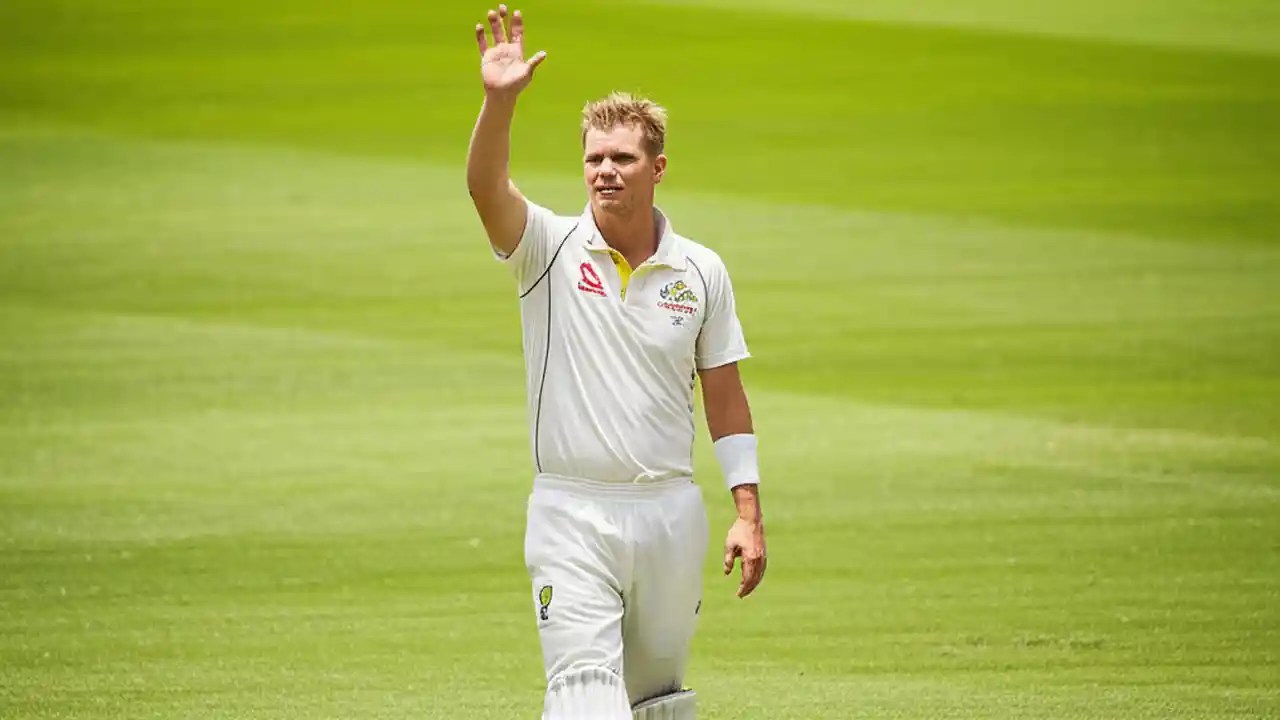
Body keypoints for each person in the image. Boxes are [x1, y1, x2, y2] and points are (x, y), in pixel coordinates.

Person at [466, 6, 768, 719]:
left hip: (668, 513)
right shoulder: (547, 248)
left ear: (657, 168)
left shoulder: (700, 271)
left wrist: (746, 511)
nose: (605, 171)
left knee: (655, 704)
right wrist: (498, 103)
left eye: (622, 158)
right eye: (594, 158)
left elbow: (724, 397)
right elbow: (486, 190)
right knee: (584, 697)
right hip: (571, 510)